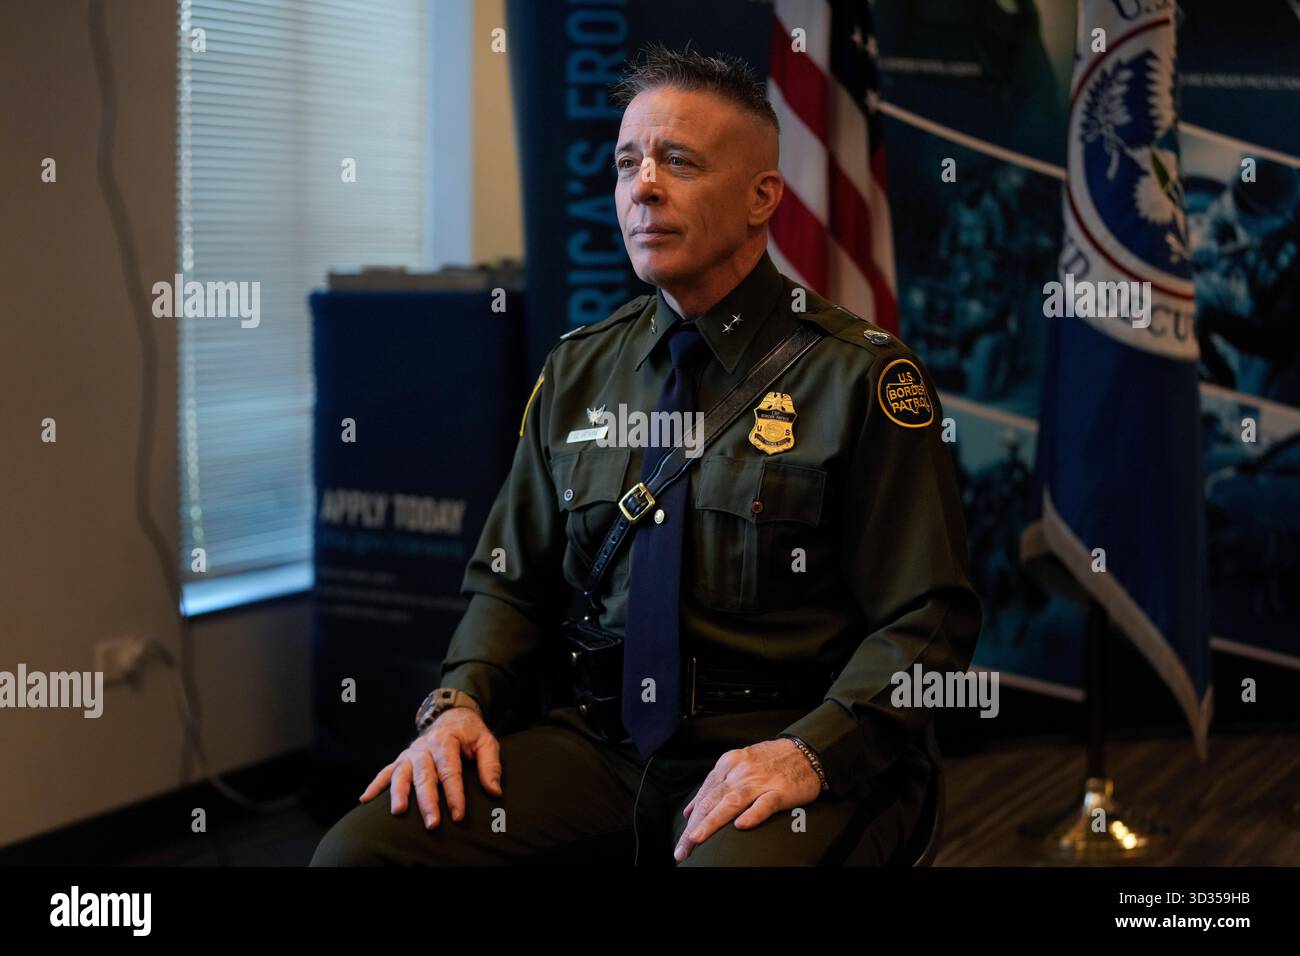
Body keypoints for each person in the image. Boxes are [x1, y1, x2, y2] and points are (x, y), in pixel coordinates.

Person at [311, 44, 980, 867]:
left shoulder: (862, 379)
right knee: (362, 852)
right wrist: (461, 701)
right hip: (605, 744)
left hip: (790, 742)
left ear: (761, 197)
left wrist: (815, 750)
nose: (643, 186)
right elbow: (510, 584)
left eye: (678, 162)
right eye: (627, 163)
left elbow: (929, 619)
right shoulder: (579, 369)